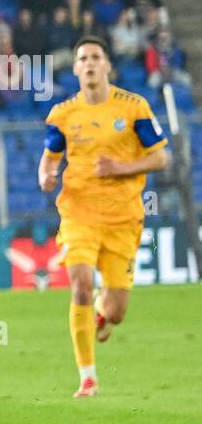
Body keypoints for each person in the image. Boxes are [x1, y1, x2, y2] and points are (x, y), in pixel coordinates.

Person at [39, 36, 169, 397]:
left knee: (116, 312)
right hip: (78, 212)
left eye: (97, 56)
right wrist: (45, 175)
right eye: (83, 58)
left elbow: (161, 158)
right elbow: (49, 159)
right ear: (77, 68)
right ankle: (88, 377)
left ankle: (101, 315)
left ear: (107, 65)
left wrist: (122, 167)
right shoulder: (63, 115)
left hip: (123, 218)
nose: (90, 62)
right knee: (79, 285)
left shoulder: (134, 108)